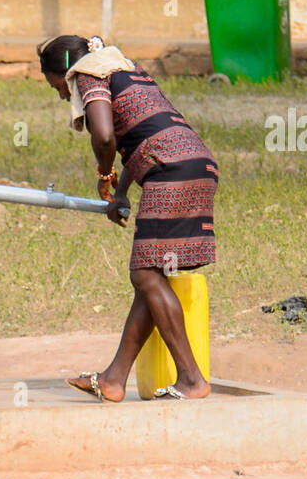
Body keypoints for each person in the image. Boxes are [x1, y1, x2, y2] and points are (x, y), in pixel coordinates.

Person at [37, 34, 218, 401]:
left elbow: (104, 136)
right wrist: (120, 194)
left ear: (65, 71)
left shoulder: (89, 74)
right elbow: (146, 133)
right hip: (195, 164)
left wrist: (104, 174)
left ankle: (192, 380)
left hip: (171, 171)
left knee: (145, 274)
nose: (60, 94)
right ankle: (113, 379)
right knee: (151, 277)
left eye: (56, 85)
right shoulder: (124, 68)